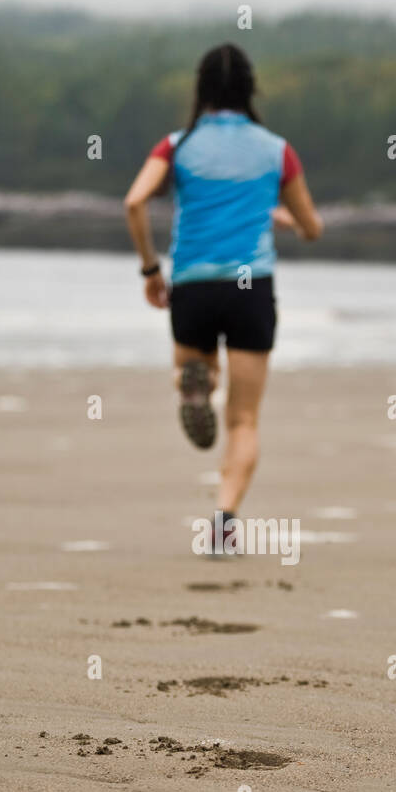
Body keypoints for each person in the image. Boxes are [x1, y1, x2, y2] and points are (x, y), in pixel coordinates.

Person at [124, 42, 322, 550]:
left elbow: (134, 201)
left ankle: (196, 383)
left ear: (203, 91)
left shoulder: (176, 144)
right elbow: (312, 228)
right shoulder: (276, 149)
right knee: (245, 419)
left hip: (192, 284)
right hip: (250, 288)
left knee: (194, 368)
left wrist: (150, 269)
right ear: (250, 89)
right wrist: (274, 214)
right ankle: (224, 521)